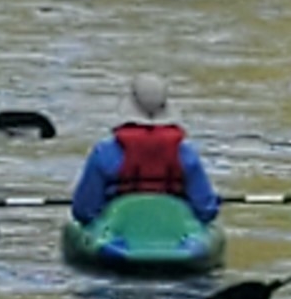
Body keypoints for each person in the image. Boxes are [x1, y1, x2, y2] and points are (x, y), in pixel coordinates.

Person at [70, 72, 220, 225]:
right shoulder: (186, 154)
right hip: (172, 232)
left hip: (119, 235)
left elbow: (84, 210)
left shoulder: (104, 153)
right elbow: (206, 210)